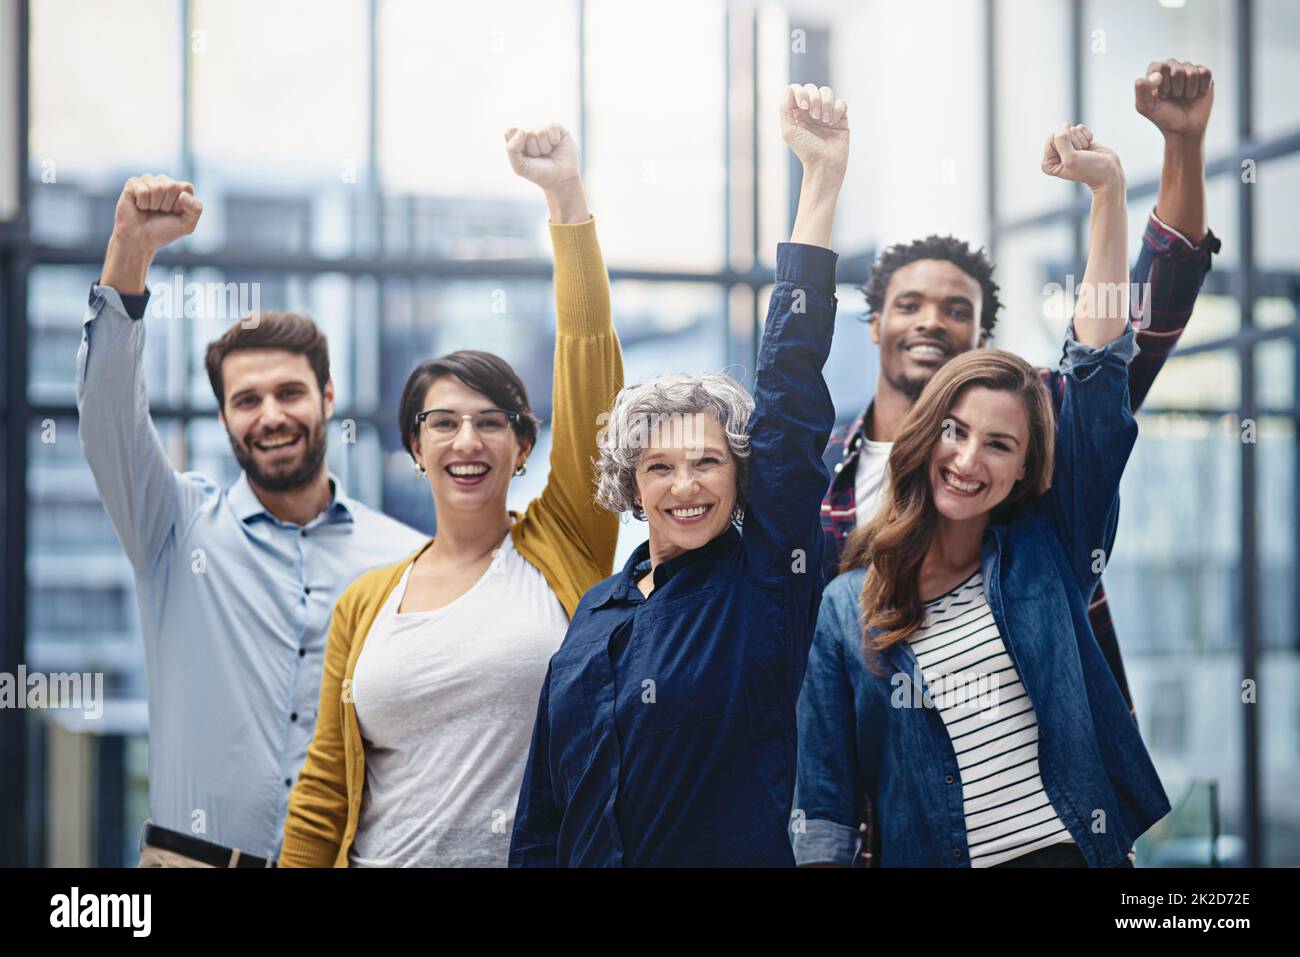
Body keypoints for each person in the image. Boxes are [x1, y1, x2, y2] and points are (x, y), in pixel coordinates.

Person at [817, 59, 1219, 864]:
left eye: (956, 309)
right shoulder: (825, 480)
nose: (931, 322)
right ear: (874, 325)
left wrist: (1160, 162)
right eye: (910, 304)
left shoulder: (1040, 449)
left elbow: (1122, 338)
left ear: (980, 334)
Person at [508, 85, 845, 867]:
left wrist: (820, 182)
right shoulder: (597, 610)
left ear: (739, 476)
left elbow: (792, 401)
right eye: (660, 466)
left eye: (707, 462)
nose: (685, 484)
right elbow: (543, 814)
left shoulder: (763, 579)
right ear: (631, 486)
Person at [278, 123, 623, 867]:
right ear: (415, 448)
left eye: (490, 422)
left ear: (523, 447)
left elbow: (589, 355)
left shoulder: (564, 543)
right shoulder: (366, 602)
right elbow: (324, 796)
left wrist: (564, 197)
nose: (467, 440)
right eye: (444, 422)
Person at [76, 177, 426, 867]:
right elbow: (106, 414)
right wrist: (130, 252)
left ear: (327, 397)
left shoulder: (404, 559)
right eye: (247, 399)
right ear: (225, 417)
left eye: (290, 392)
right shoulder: (172, 530)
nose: (271, 415)